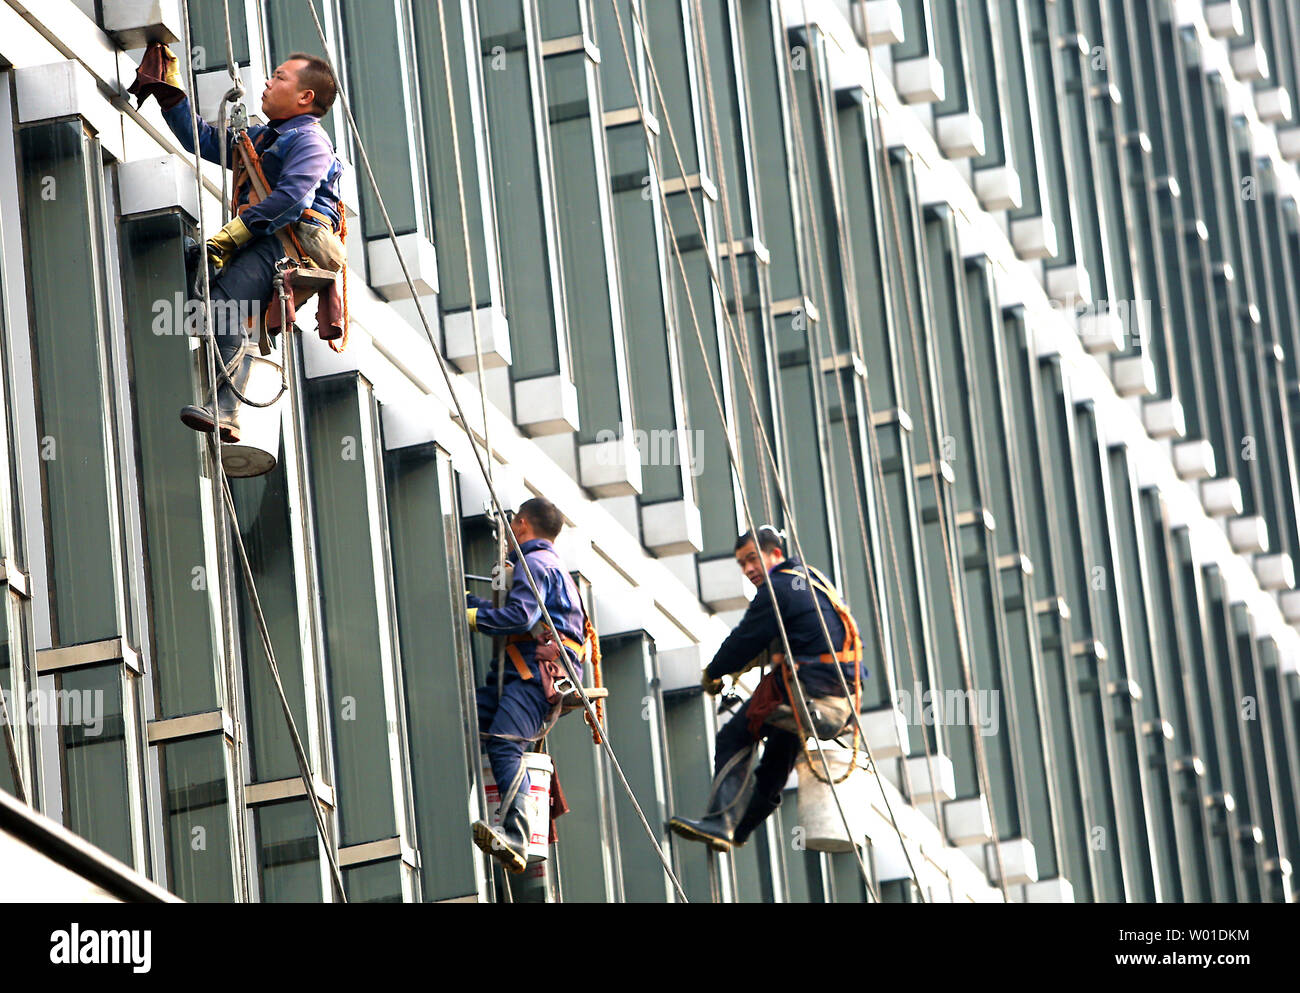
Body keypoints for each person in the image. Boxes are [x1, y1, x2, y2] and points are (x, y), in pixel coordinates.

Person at [133, 44, 345, 442]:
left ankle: (225, 409)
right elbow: (205, 141)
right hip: (270, 239)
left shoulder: (310, 141)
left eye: (280, 77)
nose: (267, 82)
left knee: (225, 304)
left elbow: (293, 199)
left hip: (289, 244)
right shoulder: (266, 139)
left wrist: (232, 237)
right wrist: (169, 90)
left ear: (305, 97)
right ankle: (223, 395)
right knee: (208, 297)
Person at [669, 526, 865, 853]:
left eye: (751, 559)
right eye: (741, 564)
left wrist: (714, 673)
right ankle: (739, 831)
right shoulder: (813, 581)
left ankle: (720, 821)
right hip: (839, 698)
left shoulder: (779, 587)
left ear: (775, 554)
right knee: (777, 760)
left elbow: (745, 640)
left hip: (805, 689)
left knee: (734, 736)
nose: (747, 570)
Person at [467, 497, 590, 873]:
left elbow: (521, 616)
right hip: (527, 672)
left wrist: (473, 615)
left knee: (505, 744)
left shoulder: (535, 563)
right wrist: (472, 602)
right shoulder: (552, 566)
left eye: (510, 530)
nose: (507, 539)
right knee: (470, 724)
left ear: (521, 525)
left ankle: (517, 834)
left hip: (536, 675)